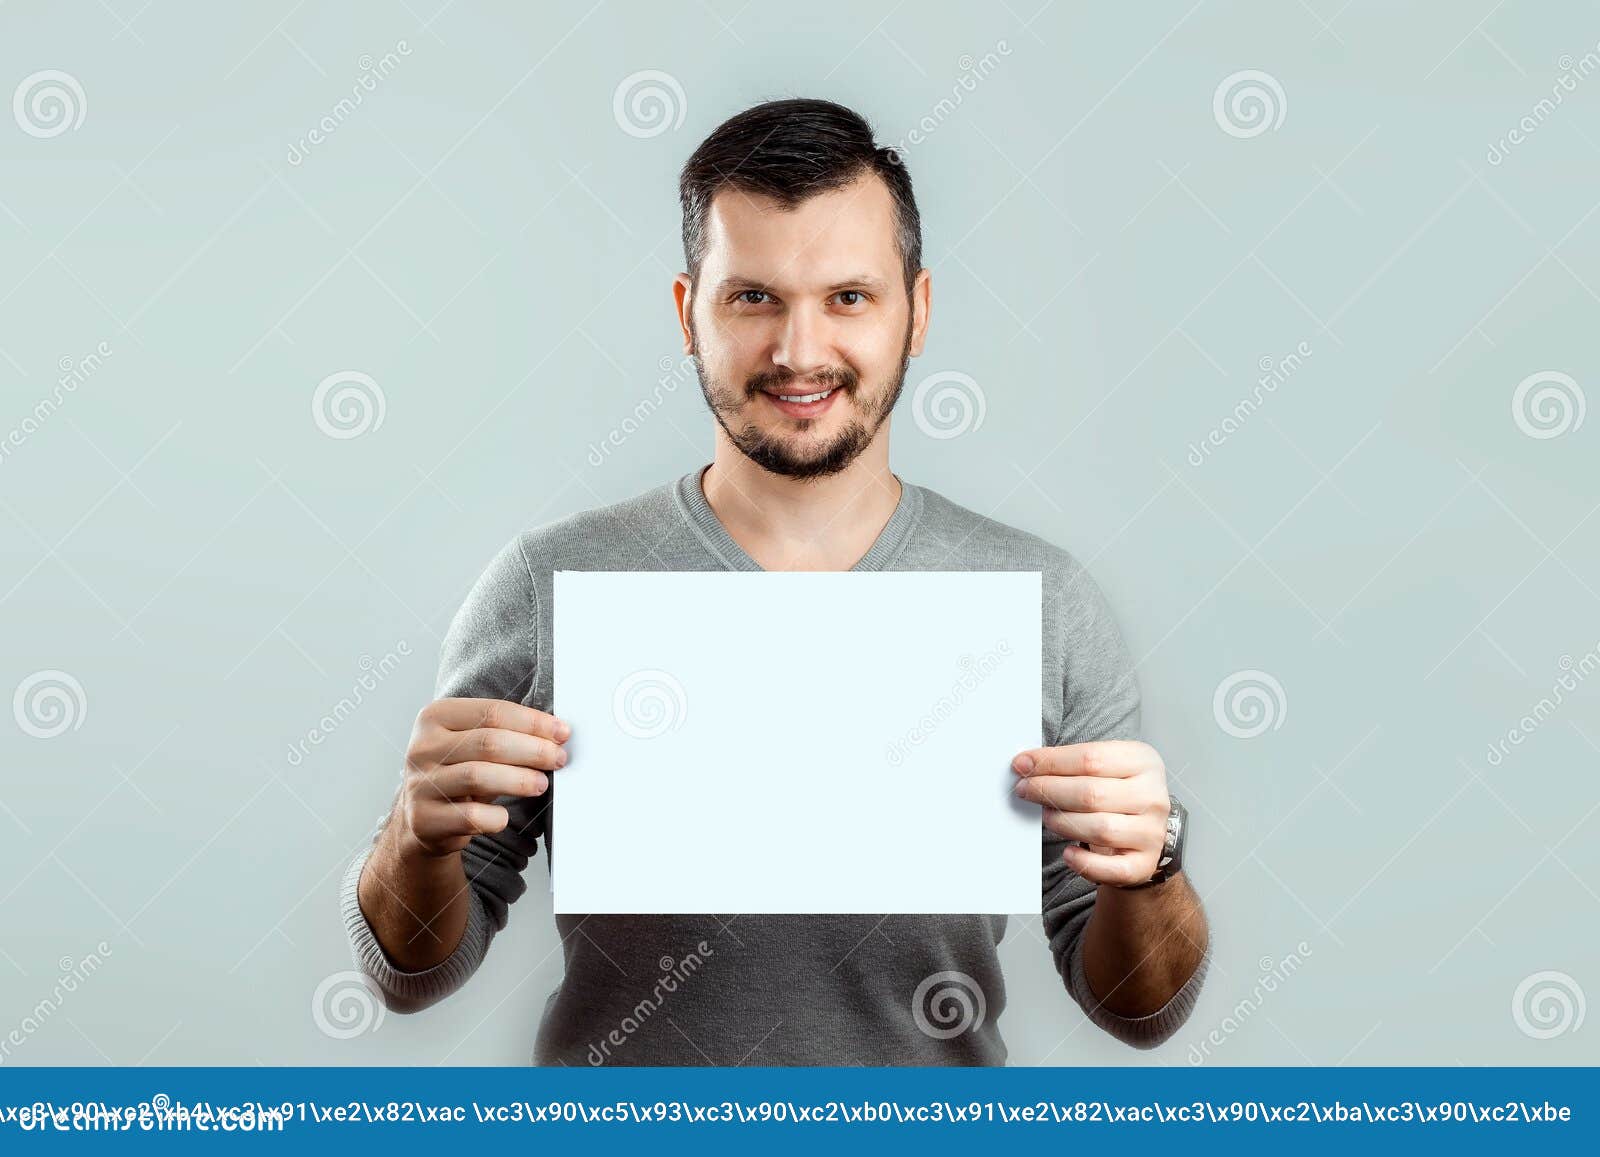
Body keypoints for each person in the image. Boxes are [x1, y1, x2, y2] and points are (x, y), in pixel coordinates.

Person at [341, 97, 1210, 1065]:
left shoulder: (1039, 599)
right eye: (753, 297)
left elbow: (1140, 1009)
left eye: (848, 297)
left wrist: (1150, 867)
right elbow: (410, 972)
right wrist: (414, 840)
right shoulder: (554, 582)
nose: (800, 352)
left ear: (916, 311)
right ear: (688, 313)